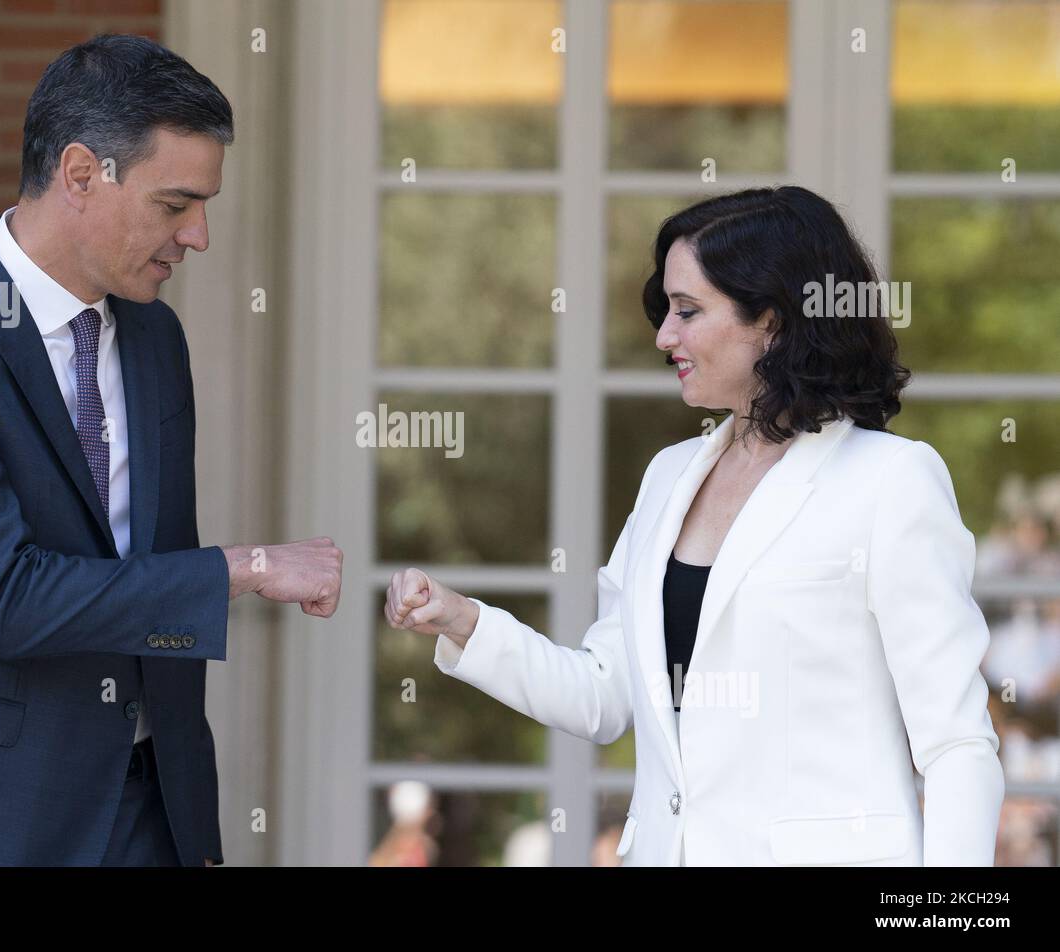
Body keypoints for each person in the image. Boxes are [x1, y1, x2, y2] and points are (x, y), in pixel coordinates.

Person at [0, 34, 342, 867]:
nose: (198, 236)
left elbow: (147, 579)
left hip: (145, 819)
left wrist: (188, 827)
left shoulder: (156, 339)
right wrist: (245, 568)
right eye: (175, 205)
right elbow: (4, 598)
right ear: (82, 173)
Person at [385, 186, 1004, 866]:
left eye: (688, 311)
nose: (663, 336)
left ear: (771, 319)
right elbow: (604, 693)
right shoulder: (669, 477)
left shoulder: (891, 480)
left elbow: (956, 743)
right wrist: (463, 621)